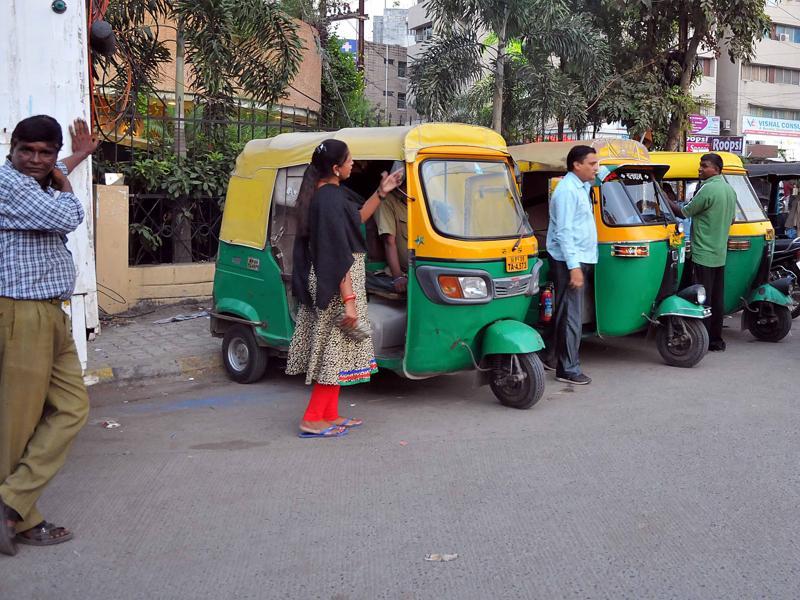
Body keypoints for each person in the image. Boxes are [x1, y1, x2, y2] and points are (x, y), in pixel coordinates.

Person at [0, 115, 99, 556]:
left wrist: (74, 159)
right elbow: (68, 214)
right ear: (12, 147)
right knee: (16, 424)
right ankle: (20, 517)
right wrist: (65, 172)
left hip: (52, 313)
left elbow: (51, 191)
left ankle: (10, 504)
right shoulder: (7, 183)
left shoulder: (39, 181)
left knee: (72, 408)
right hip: (20, 312)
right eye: (27, 151)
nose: (35, 160)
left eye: (45, 153)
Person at [286, 140, 402, 438]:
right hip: (337, 283)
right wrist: (349, 300)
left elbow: (357, 219)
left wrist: (382, 192)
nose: (354, 165)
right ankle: (312, 418)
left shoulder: (329, 196)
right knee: (332, 352)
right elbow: (336, 254)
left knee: (336, 350)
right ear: (336, 169)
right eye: (349, 161)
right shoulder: (329, 201)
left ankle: (329, 414)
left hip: (336, 281)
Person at [666, 153, 736, 351]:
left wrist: (662, 197)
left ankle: (701, 340)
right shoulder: (729, 190)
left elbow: (684, 212)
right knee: (716, 299)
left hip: (702, 253)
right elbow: (731, 220)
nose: (700, 169)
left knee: (699, 300)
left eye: (704, 166)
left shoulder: (708, 189)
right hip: (719, 254)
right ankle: (715, 340)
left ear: (716, 169)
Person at [544, 145, 599, 385]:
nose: (597, 168)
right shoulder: (567, 191)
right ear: (577, 165)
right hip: (569, 260)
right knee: (571, 316)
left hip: (580, 257)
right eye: (592, 164)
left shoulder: (582, 185)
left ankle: (550, 356)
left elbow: (603, 171)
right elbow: (564, 232)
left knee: (565, 311)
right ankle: (568, 368)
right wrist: (574, 267)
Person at [375, 186, 409, 293]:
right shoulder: (387, 201)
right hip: (405, 272)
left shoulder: (425, 199)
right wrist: (398, 277)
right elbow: (389, 241)